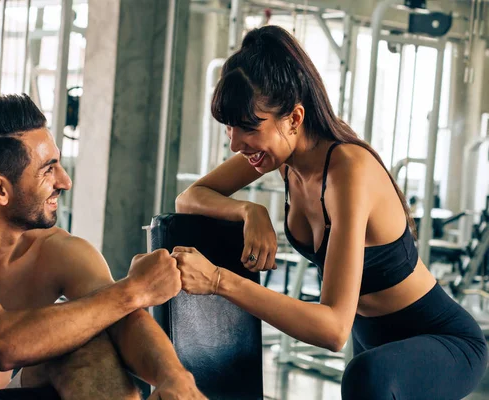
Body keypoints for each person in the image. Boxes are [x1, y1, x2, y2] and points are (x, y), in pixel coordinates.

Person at [174, 25, 487, 399]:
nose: (236, 143)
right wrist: (249, 210)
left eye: (247, 127)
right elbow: (191, 198)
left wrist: (218, 281)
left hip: (440, 341)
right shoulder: (281, 156)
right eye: (229, 128)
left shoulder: (348, 171)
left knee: (365, 379)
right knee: (366, 376)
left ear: (293, 118)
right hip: (373, 345)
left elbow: (333, 329)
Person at [0, 94, 205, 400]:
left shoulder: (59, 252)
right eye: (48, 169)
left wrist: (175, 379)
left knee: (89, 345)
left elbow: (124, 320)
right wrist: (134, 289)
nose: (64, 181)